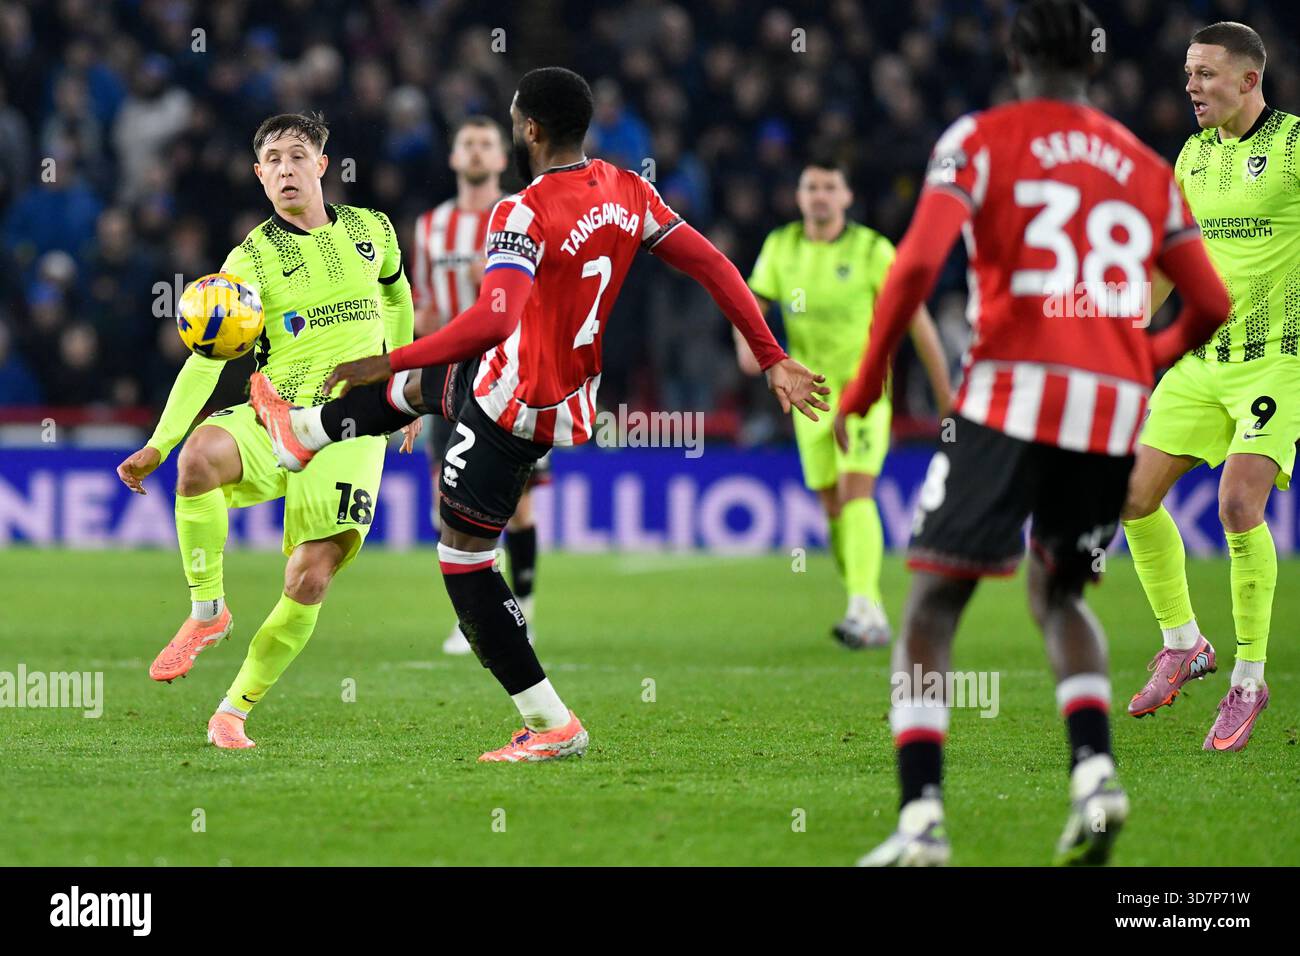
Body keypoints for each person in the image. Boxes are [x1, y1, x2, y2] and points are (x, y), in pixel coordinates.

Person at [250, 67, 829, 763]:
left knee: (462, 562)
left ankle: (550, 720)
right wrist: (771, 357)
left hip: (516, 406)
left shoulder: (521, 211)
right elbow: (713, 265)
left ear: (527, 130)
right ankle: (304, 434)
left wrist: (389, 357)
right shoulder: (627, 189)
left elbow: (495, 320)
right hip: (563, 388)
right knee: (431, 384)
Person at [836, 0, 1229, 865]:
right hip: (1107, 409)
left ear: (1014, 57)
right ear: (1091, 64)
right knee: (1062, 595)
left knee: (933, 605)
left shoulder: (978, 138)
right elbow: (1210, 302)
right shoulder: (1142, 164)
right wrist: (1144, 353)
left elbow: (911, 267)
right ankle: (1094, 775)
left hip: (1010, 397)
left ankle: (921, 823)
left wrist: (869, 380)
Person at [115, 111, 418, 749]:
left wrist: (403, 386)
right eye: (272, 160)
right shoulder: (249, 258)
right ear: (258, 176)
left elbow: (397, 298)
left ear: (321, 166)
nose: (284, 168)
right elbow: (205, 357)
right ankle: (208, 612)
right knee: (198, 457)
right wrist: (158, 443)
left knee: (309, 576)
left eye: (295, 156)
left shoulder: (373, 232)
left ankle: (233, 711)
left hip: (352, 426)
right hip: (275, 412)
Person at [1121, 21, 1298, 752]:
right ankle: (1184, 642)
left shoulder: (1292, 147)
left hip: (1277, 359)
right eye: (1188, 74)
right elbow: (1170, 259)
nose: (1190, 87)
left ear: (1249, 80)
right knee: (1130, 497)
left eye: (1205, 75)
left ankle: (1248, 682)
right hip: (1202, 358)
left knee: (1236, 502)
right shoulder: (1192, 156)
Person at [735, 157, 952, 648]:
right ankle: (864, 601)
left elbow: (916, 320)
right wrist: (749, 352)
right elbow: (750, 304)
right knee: (833, 505)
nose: (819, 196)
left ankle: (864, 608)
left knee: (857, 491)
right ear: (798, 195)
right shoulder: (781, 246)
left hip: (864, 390)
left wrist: (945, 396)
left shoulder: (873, 250)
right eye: (811, 186)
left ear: (847, 197)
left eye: (830, 187)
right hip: (807, 393)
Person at [411, 116, 546, 655]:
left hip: (515, 374)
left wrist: (491, 294)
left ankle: (524, 611)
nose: (475, 151)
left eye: (486, 144)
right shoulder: (428, 228)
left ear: (499, 157)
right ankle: (474, 618)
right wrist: (432, 317)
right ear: (453, 157)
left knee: (519, 505)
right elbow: (415, 306)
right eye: (465, 142)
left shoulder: (522, 214)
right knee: (448, 502)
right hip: (448, 377)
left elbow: (542, 300)